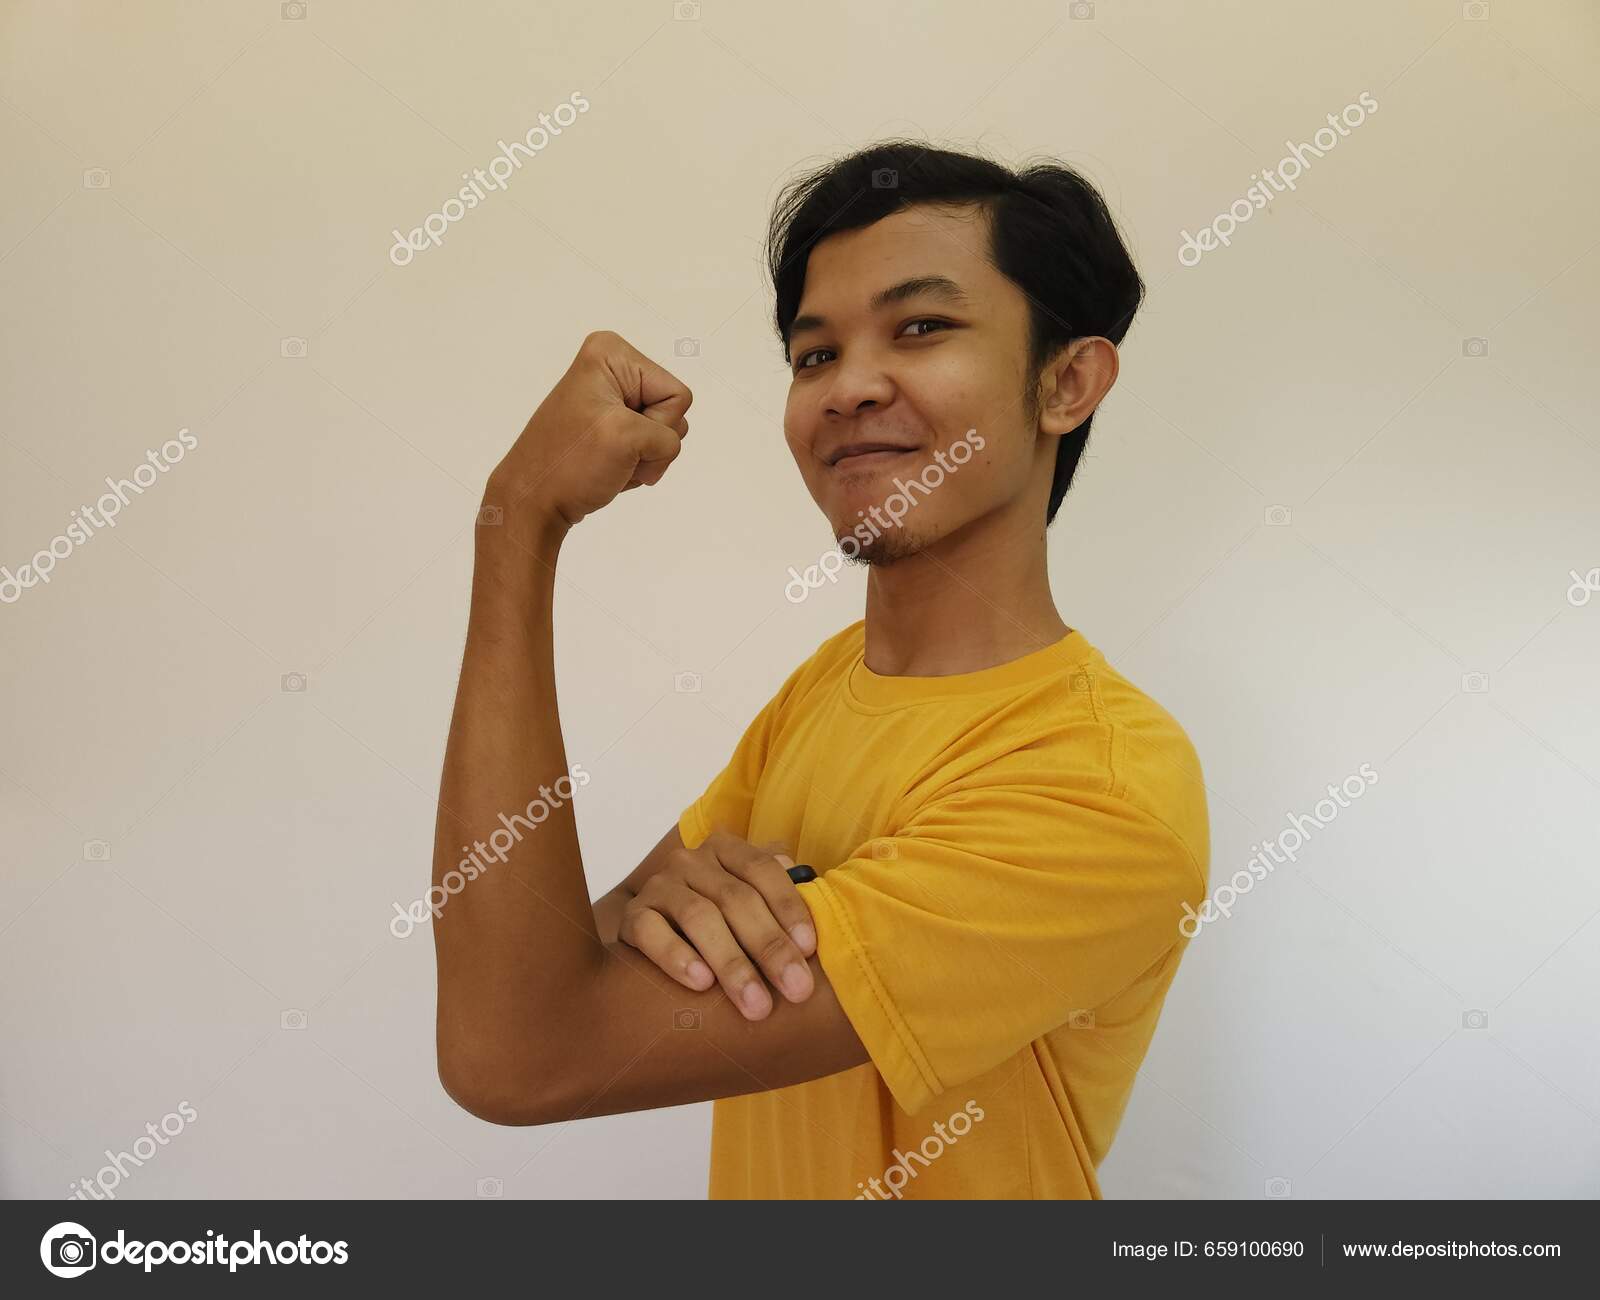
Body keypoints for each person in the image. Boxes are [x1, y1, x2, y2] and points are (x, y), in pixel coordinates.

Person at [431, 141, 1209, 1199]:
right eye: (812, 355)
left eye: (920, 328)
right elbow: (569, 962)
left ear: (1067, 381)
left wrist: (520, 519)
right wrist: (657, 916)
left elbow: (519, 1049)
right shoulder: (828, 685)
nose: (847, 388)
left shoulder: (1102, 786)